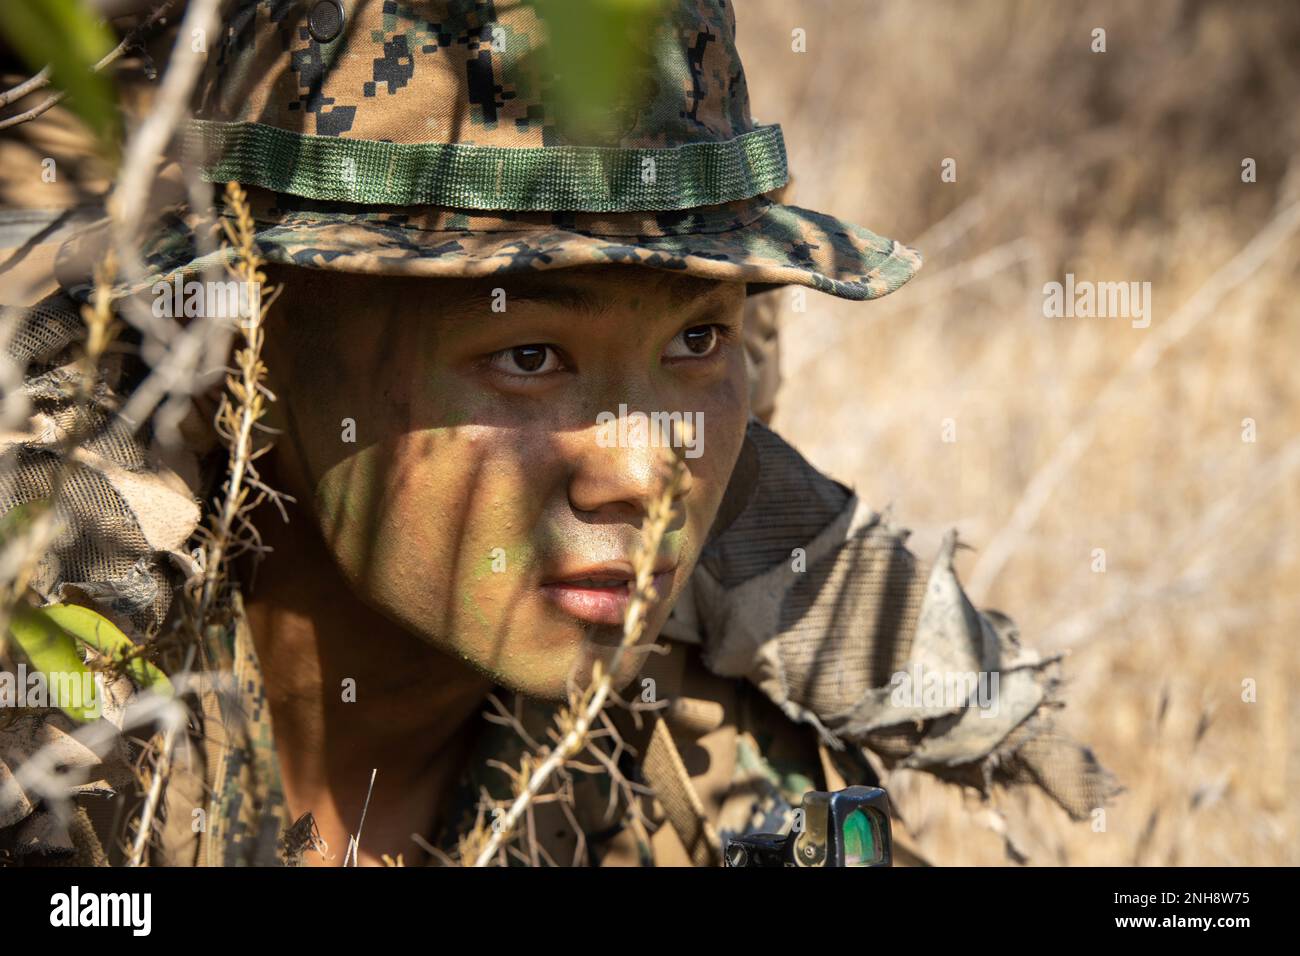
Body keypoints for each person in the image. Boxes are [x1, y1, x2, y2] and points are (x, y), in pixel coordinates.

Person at [0, 0, 1113, 867]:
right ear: (256, 355)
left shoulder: (700, 768)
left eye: (695, 343)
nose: (645, 474)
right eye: (529, 356)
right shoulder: (55, 740)